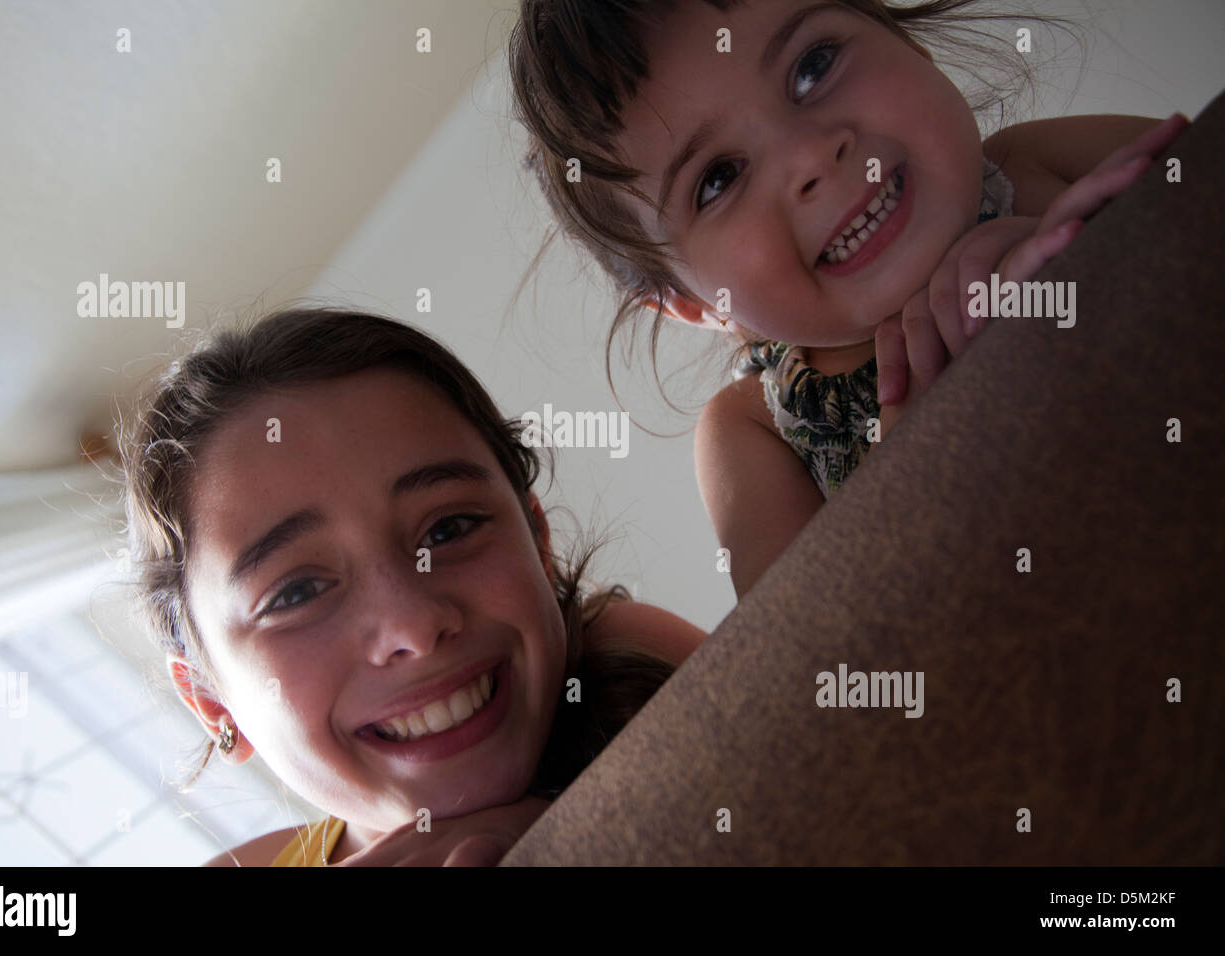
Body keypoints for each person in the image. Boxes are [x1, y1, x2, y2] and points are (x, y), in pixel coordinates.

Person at [509, 0, 1188, 595]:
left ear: (897, 33)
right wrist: (927, 468)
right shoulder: (755, 434)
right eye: (718, 179)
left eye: (814, 65)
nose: (811, 158)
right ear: (692, 303)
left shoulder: (1043, 168)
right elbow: (829, 692)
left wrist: (1109, 253)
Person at [117, 307, 706, 865]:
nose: (413, 626)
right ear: (211, 701)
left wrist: (576, 832)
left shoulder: (639, 668)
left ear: (539, 545)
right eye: (296, 593)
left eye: (449, 529)